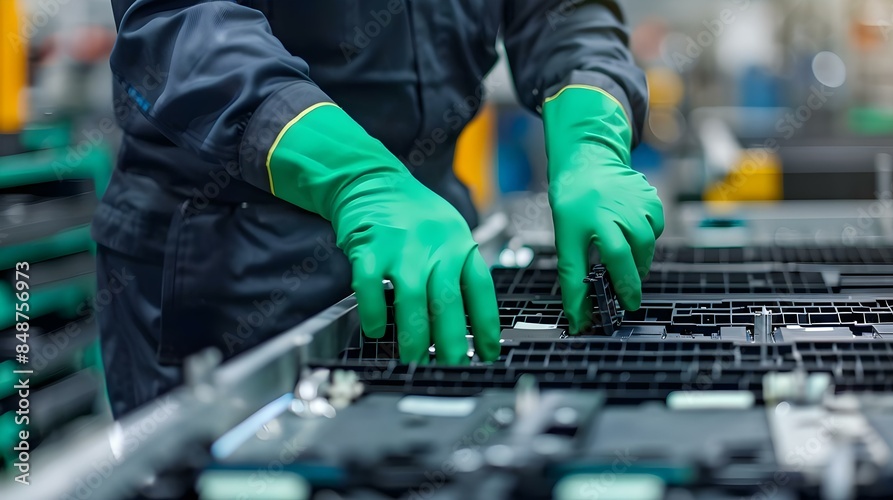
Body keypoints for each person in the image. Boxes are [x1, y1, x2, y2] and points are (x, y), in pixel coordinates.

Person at [97, 0, 664, 417]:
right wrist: (354, 176)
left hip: (432, 236)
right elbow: (184, 23)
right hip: (231, 255)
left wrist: (591, 124)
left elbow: (558, 12)